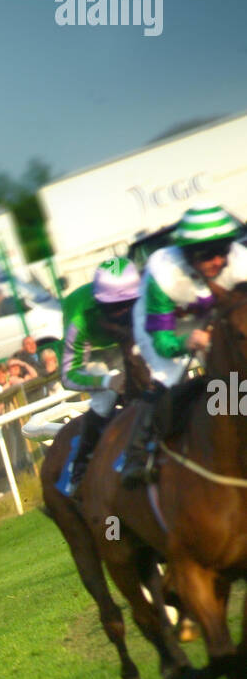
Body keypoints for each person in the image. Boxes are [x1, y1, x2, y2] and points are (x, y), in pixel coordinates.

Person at [120, 201, 247, 486]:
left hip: (212, 316)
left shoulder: (240, 263)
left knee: (233, 373)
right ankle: (138, 454)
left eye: (222, 251)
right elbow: (163, 341)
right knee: (169, 377)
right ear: (188, 254)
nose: (218, 261)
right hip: (163, 326)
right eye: (207, 255)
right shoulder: (163, 273)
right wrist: (185, 342)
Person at [58, 257, 142, 496]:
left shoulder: (145, 296)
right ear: (99, 302)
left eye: (129, 303)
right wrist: (109, 381)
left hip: (128, 341)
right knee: (105, 395)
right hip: (92, 349)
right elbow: (68, 375)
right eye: (114, 306)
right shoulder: (79, 317)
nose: (123, 311)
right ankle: (80, 466)